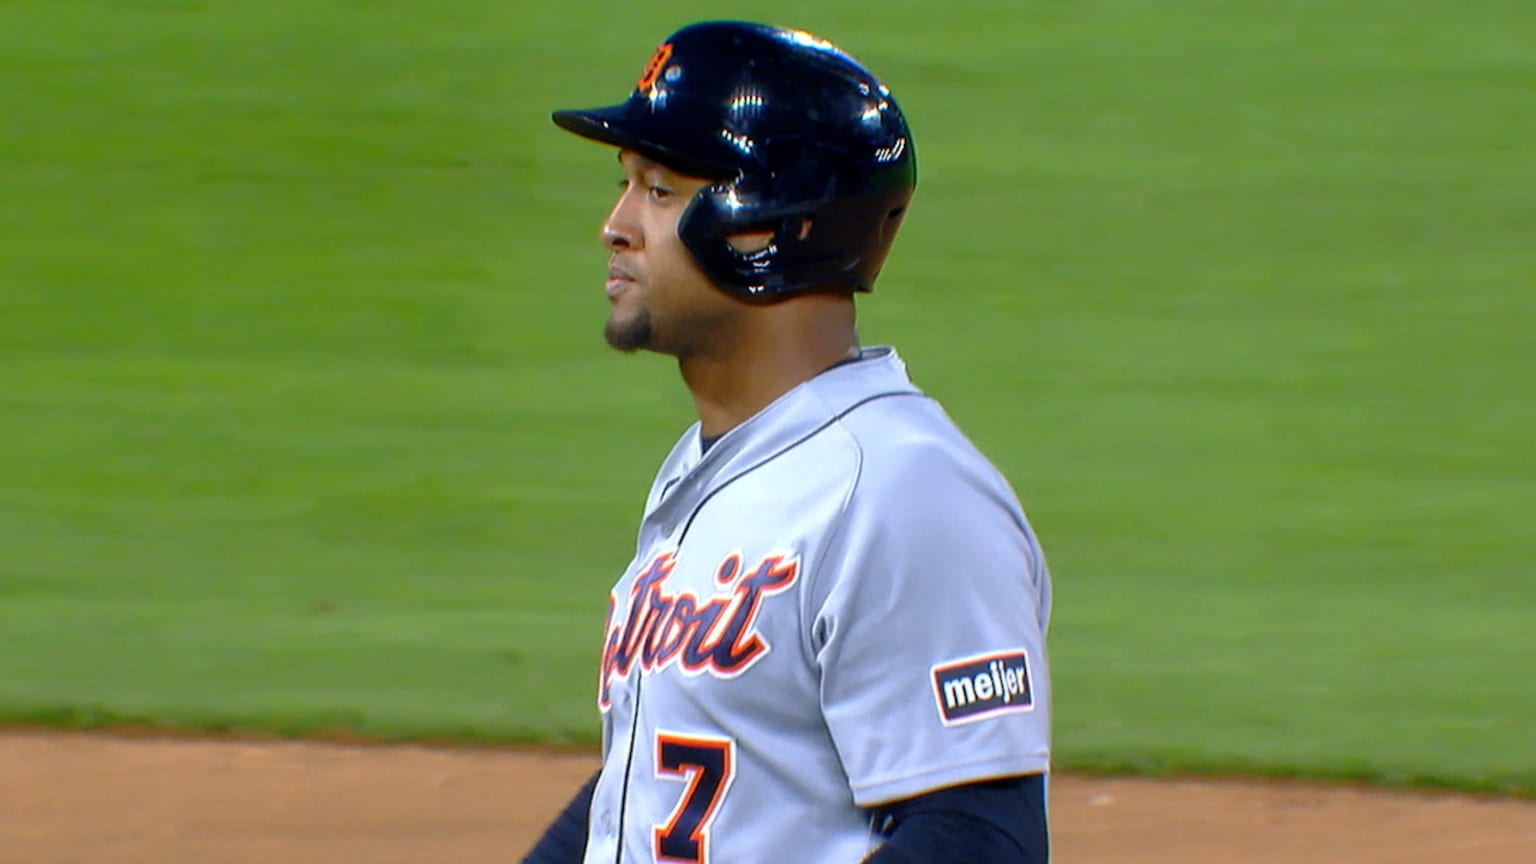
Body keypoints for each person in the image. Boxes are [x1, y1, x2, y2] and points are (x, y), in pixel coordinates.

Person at [526, 20, 1052, 864]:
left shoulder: (899, 489)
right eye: (628, 186)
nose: (616, 226)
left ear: (765, 224)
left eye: (659, 191)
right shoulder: (717, 470)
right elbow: (651, 777)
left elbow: (978, 840)